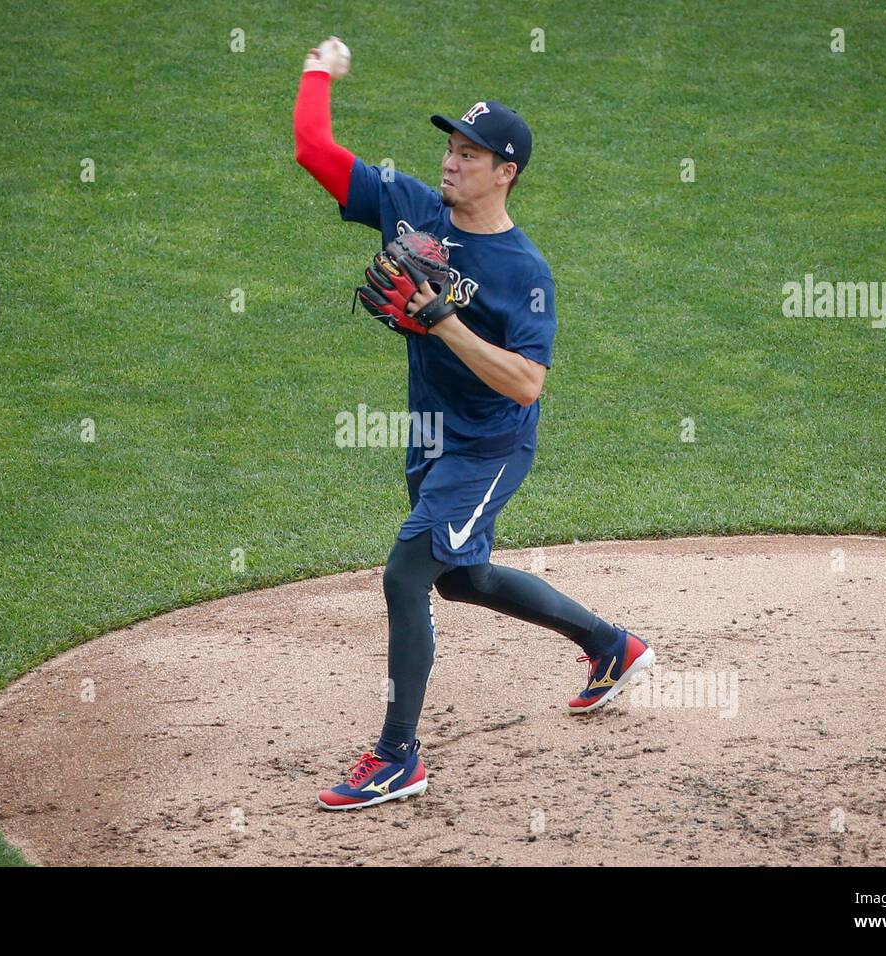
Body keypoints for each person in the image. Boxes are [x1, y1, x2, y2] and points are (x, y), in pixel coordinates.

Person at [294, 37, 655, 811]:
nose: (452, 162)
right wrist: (318, 70)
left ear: (506, 172)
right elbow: (313, 149)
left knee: (407, 573)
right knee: (462, 579)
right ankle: (610, 645)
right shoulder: (413, 206)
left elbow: (528, 384)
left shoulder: (524, 273)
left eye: (470, 153)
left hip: (489, 448)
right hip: (430, 440)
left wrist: (446, 324)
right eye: (451, 147)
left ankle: (397, 757)